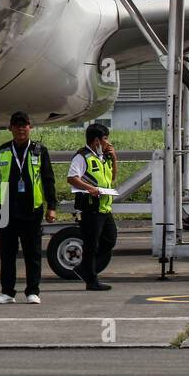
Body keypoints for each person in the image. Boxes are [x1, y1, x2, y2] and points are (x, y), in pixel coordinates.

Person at [0, 112, 56, 304]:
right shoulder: (3, 151)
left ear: (30, 127)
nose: (20, 128)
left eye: (24, 125)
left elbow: (48, 179)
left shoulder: (39, 150)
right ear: (10, 128)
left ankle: (33, 291)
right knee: (7, 253)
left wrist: (52, 207)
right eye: (16, 125)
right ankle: (7, 292)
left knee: (32, 253)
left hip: (31, 209)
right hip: (6, 209)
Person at [68, 122, 118, 291]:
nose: (108, 143)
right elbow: (72, 178)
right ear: (96, 141)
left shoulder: (103, 157)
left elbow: (112, 179)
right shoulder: (82, 157)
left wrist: (114, 157)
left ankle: (86, 270)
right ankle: (91, 279)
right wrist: (90, 188)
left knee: (110, 239)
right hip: (90, 208)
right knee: (91, 244)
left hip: (104, 207)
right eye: (105, 139)